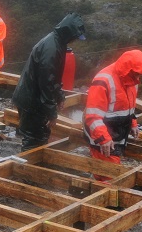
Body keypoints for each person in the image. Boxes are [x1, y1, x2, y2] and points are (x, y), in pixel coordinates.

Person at [11, 13, 87, 151]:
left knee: (39, 136)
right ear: (69, 33)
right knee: (34, 139)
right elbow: (46, 82)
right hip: (31, 101)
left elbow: (54, 77)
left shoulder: (57, 42)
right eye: (75, 37)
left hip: (33, 98)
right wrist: (52, 113)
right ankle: (27, 169)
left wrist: (59, 95)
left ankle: (33, 166)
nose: (75, 40)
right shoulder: (52, 47)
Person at [83, 49, 142, 167]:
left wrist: (133, 123)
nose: (138, 77)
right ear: (129, 70)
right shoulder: (103, 81)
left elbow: (129, 106)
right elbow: (93, 117)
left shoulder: (133, 80)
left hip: (117, 132)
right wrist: (103, 138)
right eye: (136, 74)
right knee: (109, 174)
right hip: (102, 134)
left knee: (109, 169)